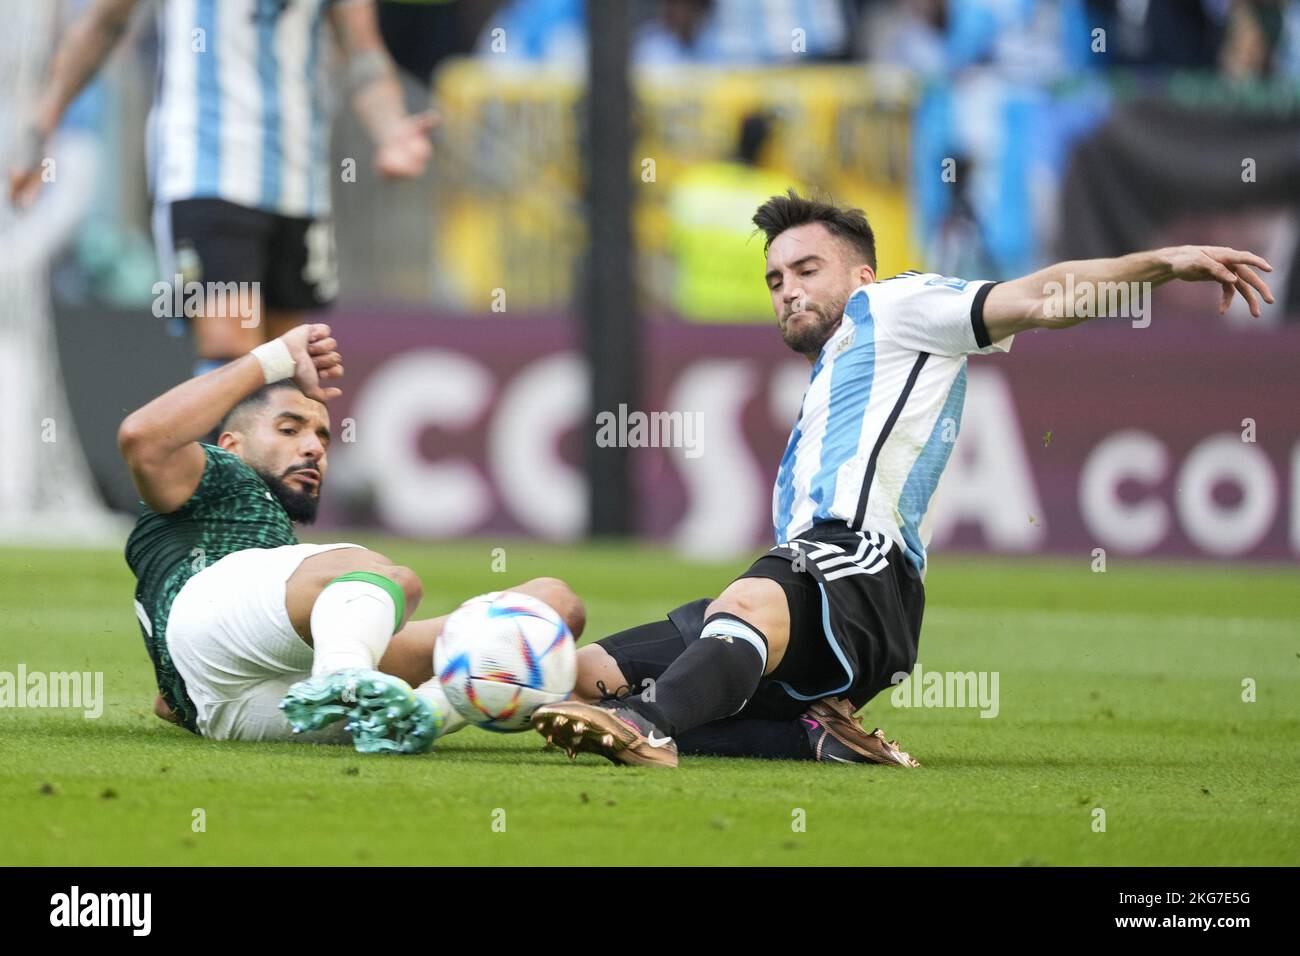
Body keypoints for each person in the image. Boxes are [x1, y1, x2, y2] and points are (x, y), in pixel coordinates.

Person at [533, 189, 1275, 768]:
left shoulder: (897, 304)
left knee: (739, 610)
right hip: (812, 588)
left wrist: (1161, 264)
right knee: (583, 677)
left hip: (861, 568)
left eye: (805, 269)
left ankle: (645, 728)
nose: (786, 289)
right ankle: (810, 738)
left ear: (861, 272)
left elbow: (1043, 297)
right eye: (773, 279)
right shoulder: (838, 366)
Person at [120, 323, 584, 752]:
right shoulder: (216, 473)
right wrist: (275, 356)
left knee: (551, 606)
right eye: (289, 429)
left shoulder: (261, 549)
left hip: (229, 710)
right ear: (231, 445)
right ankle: (344, 674)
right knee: (385, 576)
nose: (314, 447)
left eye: (323, 437)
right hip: (222, 642)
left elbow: (168, 699)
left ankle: (422, 712)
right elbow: (142, 437)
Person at [9, 0, 434, 375]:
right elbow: (105, 22)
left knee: (288, 369)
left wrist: (392, 131)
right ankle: (219, 461)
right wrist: (41, 126)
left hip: (299, 178)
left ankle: (244, 463)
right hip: (204, 167)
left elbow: (362, 52)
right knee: (233, 358)